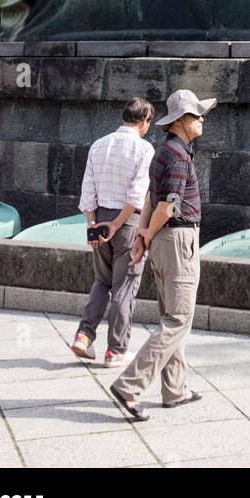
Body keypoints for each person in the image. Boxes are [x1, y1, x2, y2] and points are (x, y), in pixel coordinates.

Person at [109, 88, 215, 422]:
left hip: (162, 241)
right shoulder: (178, 156)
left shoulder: (162, 152)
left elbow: (151, 199)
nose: (201, 119)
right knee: (178, 320)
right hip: (178, 241)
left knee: (171, 316)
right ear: (182, 120)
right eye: (196, 115)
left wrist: (143, 238)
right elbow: (168, 206)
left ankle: (176, 389)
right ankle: (129, 387)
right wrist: (149, 234)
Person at [71, 97, 155, 368]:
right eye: (148, 122)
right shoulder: (144, 149)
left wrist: (94, 225)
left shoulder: (99, 145)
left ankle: (84, 336)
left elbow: (87, 192)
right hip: (126, 223)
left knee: (101, 281)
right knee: (125, 286)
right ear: (144, 121)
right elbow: (137, 195)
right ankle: (115, 351)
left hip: (98, 220)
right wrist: (117, 224)